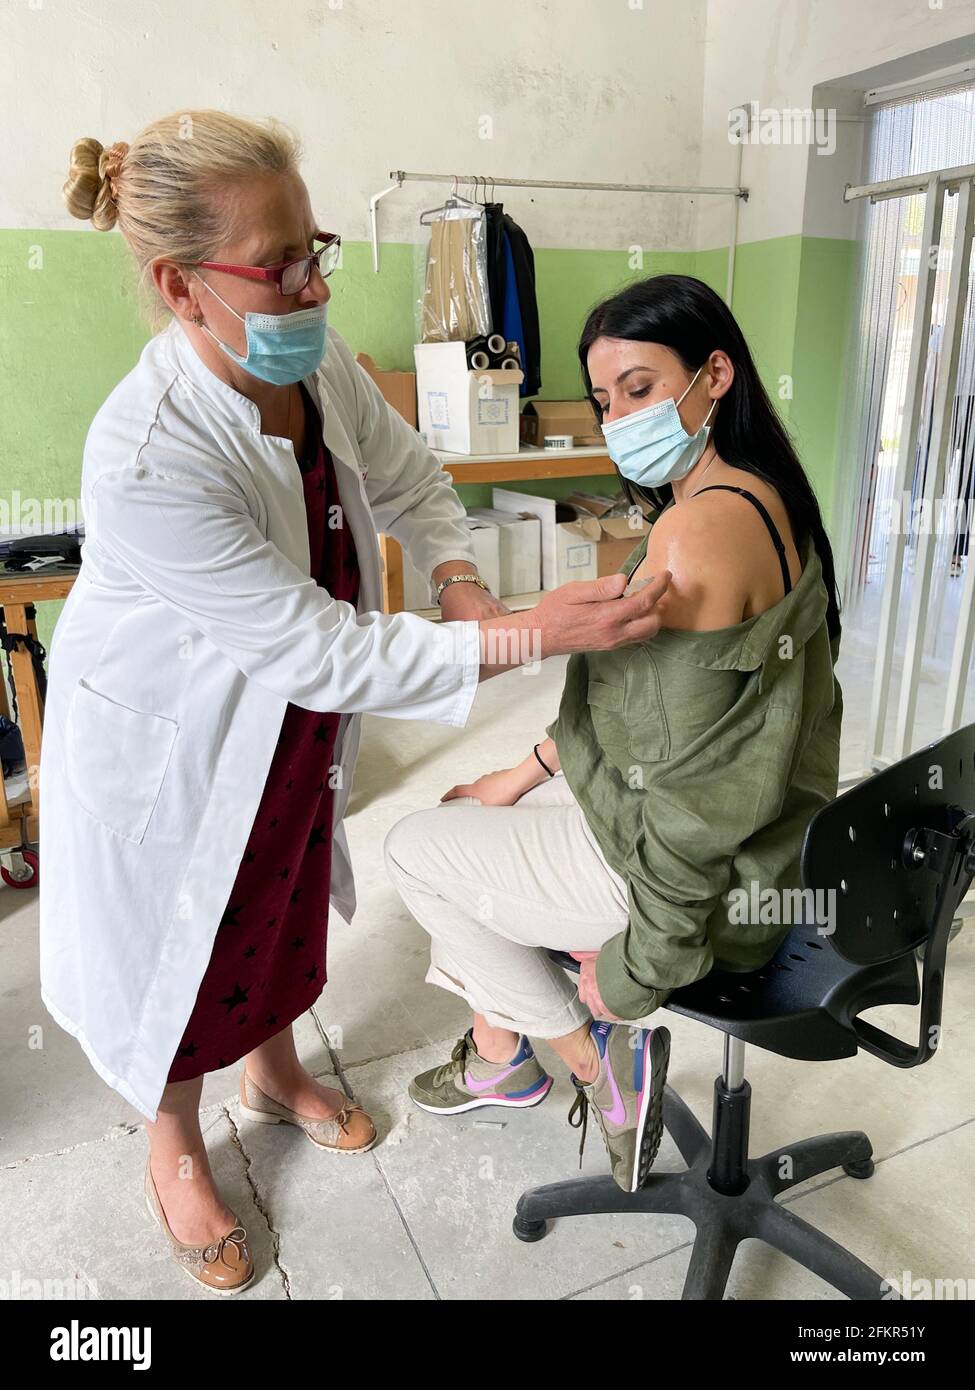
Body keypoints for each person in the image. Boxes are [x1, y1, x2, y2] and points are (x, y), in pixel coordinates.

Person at [42, 111, 670, 1293]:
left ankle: (272, 1068)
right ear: (181, 287)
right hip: (181, 738)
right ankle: (175, 1144)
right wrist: (529, 636)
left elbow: (412, 475)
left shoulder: (312, 353)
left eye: (314, 248)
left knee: (277, 904)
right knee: (186, 935)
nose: (312, 285)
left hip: (297, 727)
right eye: (279, 267)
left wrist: (464, 580)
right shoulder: (149, 450)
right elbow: (323, 649)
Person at [384, 273, 843, 1196]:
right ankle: (496, 1050)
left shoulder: (693, 536)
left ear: (715, 374)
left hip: (706, 889)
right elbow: (641, 716)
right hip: (774, 851)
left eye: (639, 388)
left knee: (416, 849)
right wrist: (519, 773)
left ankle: (592, 1062)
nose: (618, 416)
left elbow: (694, 806)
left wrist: (638, 970)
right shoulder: (764, 494)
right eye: (603, 400)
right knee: (480, 808)